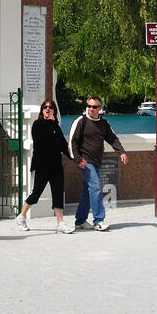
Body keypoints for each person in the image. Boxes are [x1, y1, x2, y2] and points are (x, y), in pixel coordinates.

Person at [68, 96, 128, 231]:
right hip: (85, 162)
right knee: (95, 188)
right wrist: (78, 160)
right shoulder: (80, 121)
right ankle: (99, 220)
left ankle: (80, 221)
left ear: (100, 108)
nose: (91, 109)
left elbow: (113, 139)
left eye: (94, 107)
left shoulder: (103, 123)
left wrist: (122, 152)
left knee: (87, 192)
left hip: (96, 162)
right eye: (89, 106)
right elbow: (72, 142)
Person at [16, 99, 74, 234]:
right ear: (42, 111)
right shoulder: (37, 124)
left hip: (56, 165)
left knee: (58, 193)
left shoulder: (55, 126)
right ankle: (21, 216)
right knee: (36, 193)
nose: (48, 109)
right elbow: (43, 141)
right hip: (41, 165)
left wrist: (74, 158)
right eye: (45, 107)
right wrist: (52, 124)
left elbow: (62, 144)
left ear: (54, 110)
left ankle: (60, 223)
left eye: (51, 107)